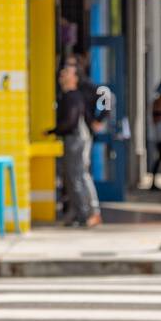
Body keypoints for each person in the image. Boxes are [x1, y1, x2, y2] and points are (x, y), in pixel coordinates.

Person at [48, 64, 100, 228]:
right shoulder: (68, 96)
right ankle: (80, 213)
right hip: (76, 138)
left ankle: (91, 212)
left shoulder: (73, 96)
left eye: (67, 73)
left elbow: (70, 121)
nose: (62, 74)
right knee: (72, 178)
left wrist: (53, 131)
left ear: (75, 78)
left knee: (78, 176)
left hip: (76, 140)